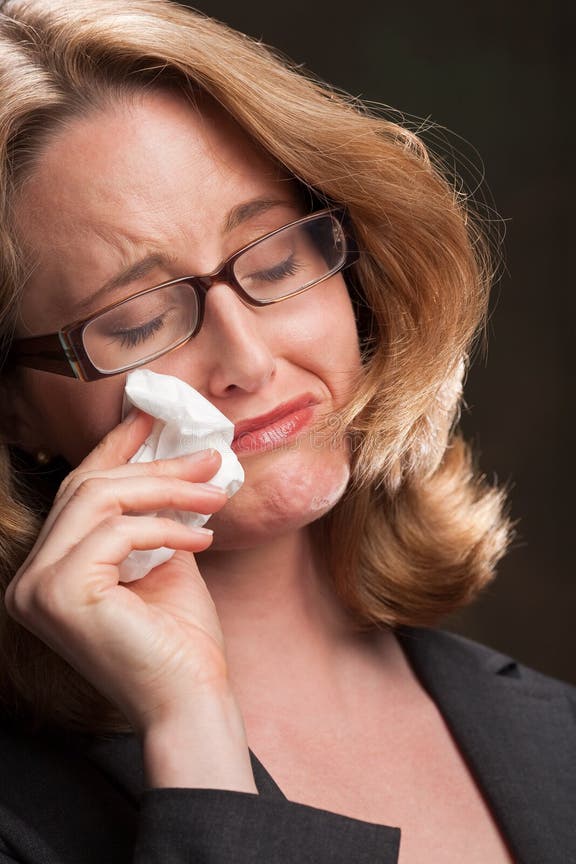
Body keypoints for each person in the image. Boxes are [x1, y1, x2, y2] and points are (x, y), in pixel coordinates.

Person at [0, 0, 573, 862]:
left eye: (275, 259)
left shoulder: (556, 730)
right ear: (15, 407)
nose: (249, 359)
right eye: (137, 321)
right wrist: (193, 733)